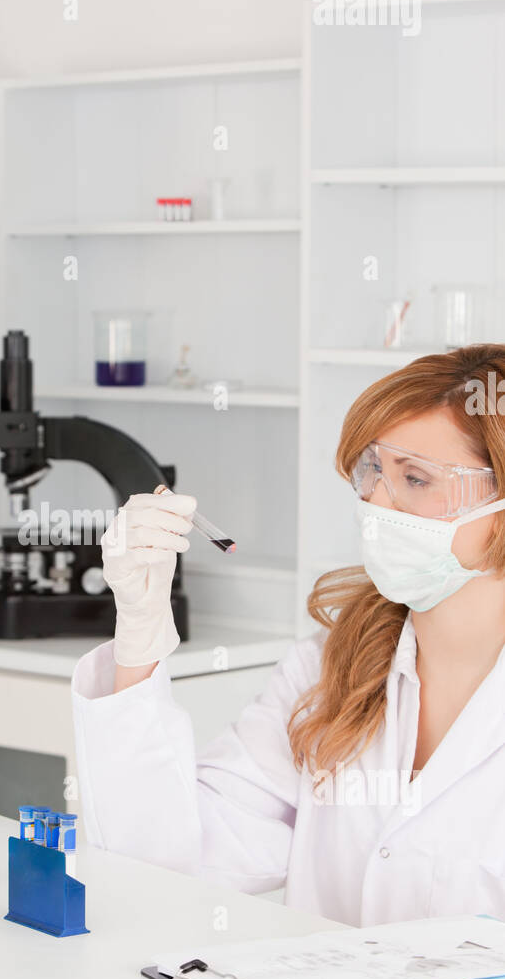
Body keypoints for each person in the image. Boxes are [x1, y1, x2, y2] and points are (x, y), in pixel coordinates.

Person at [72, 347, 505, 926]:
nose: (376, 501)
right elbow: (164, 865)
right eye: (373, 471)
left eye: (415, 479)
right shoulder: (329, 671)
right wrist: (139, 638)